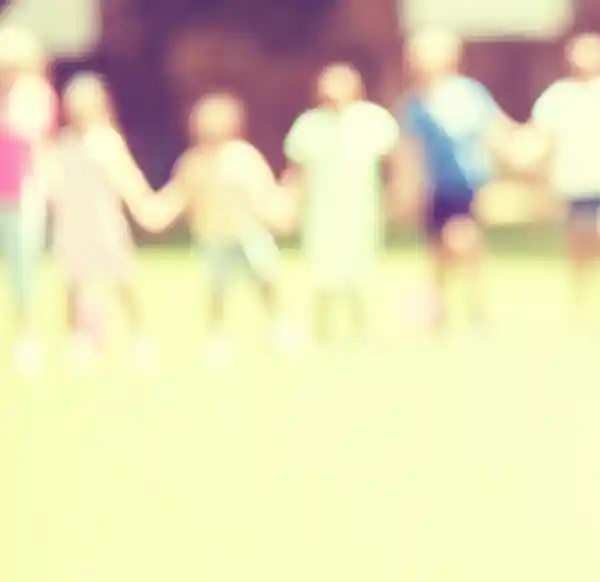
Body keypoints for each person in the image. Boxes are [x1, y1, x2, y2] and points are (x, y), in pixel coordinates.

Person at [139, 92, 294, 365]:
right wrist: (158, 212)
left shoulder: (243, 157)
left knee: (266, 280)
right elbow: (179, 193)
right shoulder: (194, 162)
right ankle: (217, 338)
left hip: (248, 234)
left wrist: (276, 213)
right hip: (214, 237)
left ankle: (280, 327)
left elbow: (262, 192)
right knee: (216, 289)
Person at [524, 34, 600, 331]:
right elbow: (542, 139)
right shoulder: (558, 96)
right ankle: (580, 307)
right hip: (572, 182)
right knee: (578, 244)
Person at [395, 29, 514, 332]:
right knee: (437, 254)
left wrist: (518, 153)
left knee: (464, 241)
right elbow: (411, 151)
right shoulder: (416, 103)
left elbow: (496, 130)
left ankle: (477, 311)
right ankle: (441, 313)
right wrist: (405, 190)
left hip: (466, 184)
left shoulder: (469, 93)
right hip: (435, 188)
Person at [47, 73, 157, 368]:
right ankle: (79, 340)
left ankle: (140, 338)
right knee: (74, 284)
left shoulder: (108, 141)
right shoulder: (64, 143)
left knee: (123, 279)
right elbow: (53, 182)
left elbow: (129, 179)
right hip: (73, 225)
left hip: (104, 223)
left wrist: (145, 207)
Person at [284, 63, 399, 342]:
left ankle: (362, 333)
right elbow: (296, 171)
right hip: (321, 211)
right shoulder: (309, 126)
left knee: (360, 271)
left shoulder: (374, 121)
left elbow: (396, 162)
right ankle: (321, 333)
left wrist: (397, 195)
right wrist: (288, 203)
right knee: (321, 273)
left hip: (361, 209)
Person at [0, 26, 56, 374]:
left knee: (24, 272)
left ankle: (28, 338)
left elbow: (27, 131)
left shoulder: (34, 94)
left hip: (22, 195)